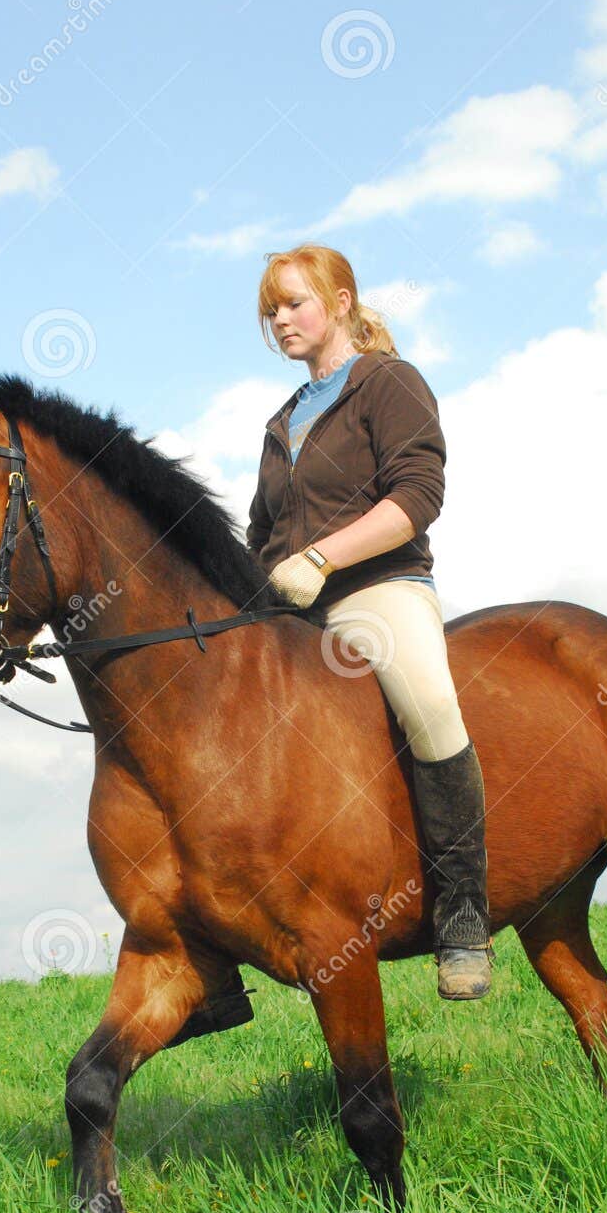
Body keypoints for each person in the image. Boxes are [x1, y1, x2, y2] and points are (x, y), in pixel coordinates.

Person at [245, 243, 492, 1000]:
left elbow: (416, 495)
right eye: (271, 310)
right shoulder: (281, 419)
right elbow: (262, 531)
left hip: (378, 589)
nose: (280, 319)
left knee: (429, 703)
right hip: (292, 608)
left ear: (342, 302)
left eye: (294, 303)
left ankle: (462, 922)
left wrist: (320, 559)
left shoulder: (387, 382)